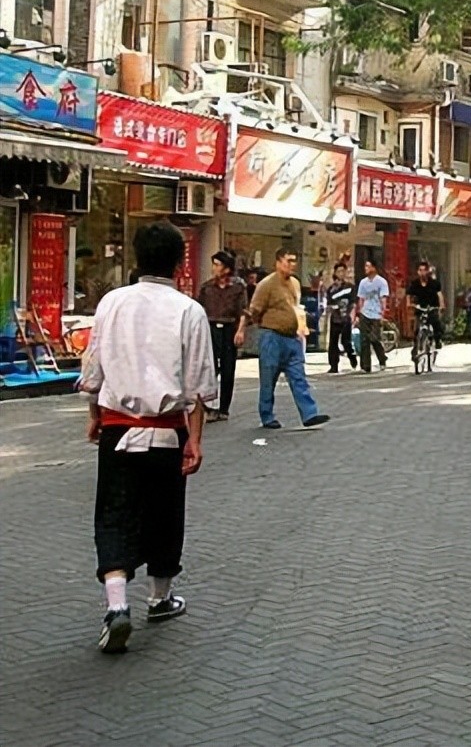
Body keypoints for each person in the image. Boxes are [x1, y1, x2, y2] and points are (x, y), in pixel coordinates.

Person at [80, 221, 217, 654]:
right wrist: (195, 440)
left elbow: (93, 370)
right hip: (166, 433)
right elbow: (200, 386)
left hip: (117, 428)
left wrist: (94, 417)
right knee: (165, 513)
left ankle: (117, 607)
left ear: (136, 259)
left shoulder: (110, 303)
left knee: (115, 514)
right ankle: (160, 598)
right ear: (180, 263)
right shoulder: (188, 310)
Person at [245, 248, 330, 430]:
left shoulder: (295, 283)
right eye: (288, 260)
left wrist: (301, 326)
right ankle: (267, 416)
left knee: (298, 376)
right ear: (278, 262)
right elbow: (254, 311)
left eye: (294, 261)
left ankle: (309, 413)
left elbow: (296, 307)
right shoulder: (266, 284)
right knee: (268, 379)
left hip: (292, 338)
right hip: (272, 336)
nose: (292, 264)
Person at [195, 250, 248, 422]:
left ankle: (224, 408)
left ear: (227, 269)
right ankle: (204, 405)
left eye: (218, 265)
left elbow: (243, 311)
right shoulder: (207, 287)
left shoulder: (238, 287)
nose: (214, 268)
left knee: (228, 369)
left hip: (228, 328)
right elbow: (198, 310)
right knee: (209, 368)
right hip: (210, 327)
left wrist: (240, 331)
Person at [355, 258, 390, 373]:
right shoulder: (363, 282)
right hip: (365, 312)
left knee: (374, 339)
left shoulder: (381, 282)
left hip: (376, 313)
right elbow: (361, 298)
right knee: (364, 340)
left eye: (368, 266)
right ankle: (365, 366)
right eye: (365, 266)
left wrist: (383, 312)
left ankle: (382, 359)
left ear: (374, 268)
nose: (366, 269)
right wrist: (359, 313)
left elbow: (383, 298)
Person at [324, 263, 358, 374]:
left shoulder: (350, 287)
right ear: (335, 273)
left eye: (343, 271)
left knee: (346, 342)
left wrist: (352, 316)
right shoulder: (331, 289)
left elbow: (353, 303)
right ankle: (333, 366)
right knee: (333, 343)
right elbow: (328, 304)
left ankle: (352, 357)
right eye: (339, 271)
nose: (341, 274)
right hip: (335, 318)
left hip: (346, 318)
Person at [406, 261, 446, 355]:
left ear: (428, 271)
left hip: (432, 307)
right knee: (416, 329)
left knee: (436, 323)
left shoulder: (434, 283)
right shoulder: (415, 283)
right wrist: (409, 304)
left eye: (424, 270)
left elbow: (439, 295)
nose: (422, 273)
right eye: (420, 270)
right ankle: (416, 347)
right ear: (418, 272)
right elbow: (408, 294)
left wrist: (442, 305)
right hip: (420, 308)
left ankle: (437, 341)